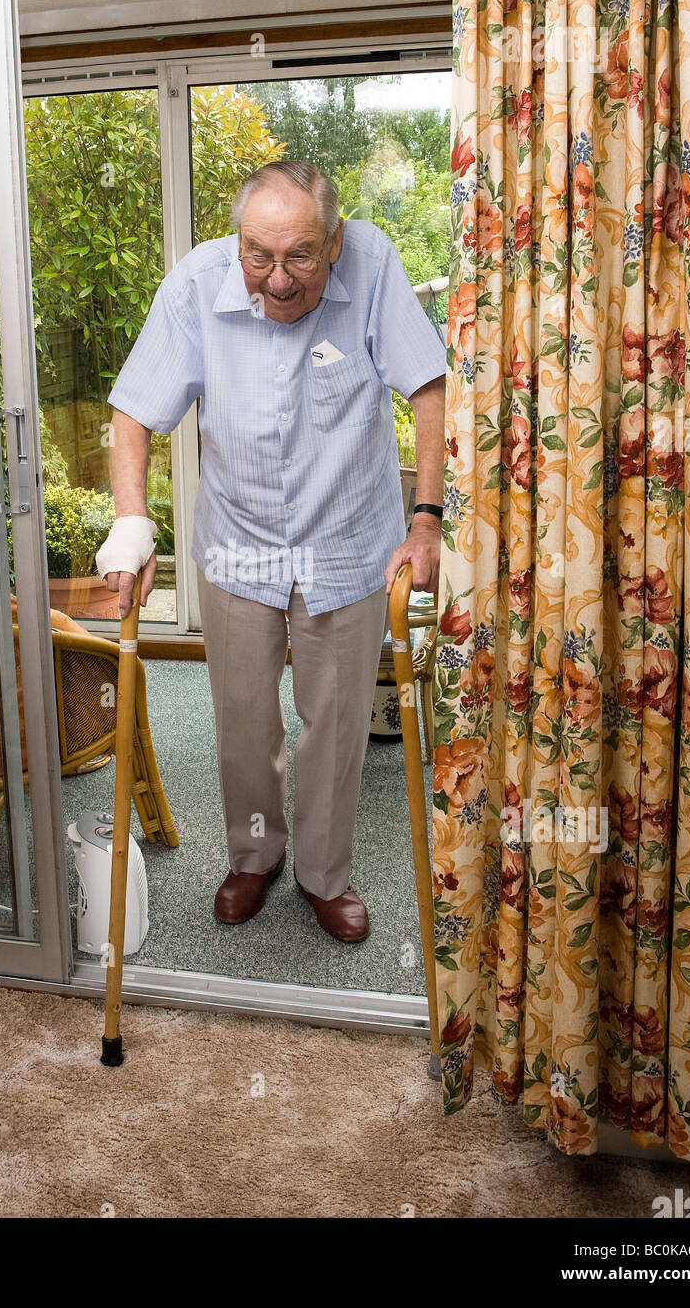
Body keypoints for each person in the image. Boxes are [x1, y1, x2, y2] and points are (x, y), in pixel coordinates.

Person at [96, 160, 445, 942]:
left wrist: (425, 519)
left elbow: (427, 387)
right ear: (237, 240)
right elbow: (132, 414)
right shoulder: (197, 285)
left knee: (337, 722)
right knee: (246, 719)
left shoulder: (374, 262)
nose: (278, 281)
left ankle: (326, 874)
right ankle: (255, 857)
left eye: (300, 258)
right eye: (260, 255)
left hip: (348, 542)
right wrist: (131, 521)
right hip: (240, 543)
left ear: (335, 242)